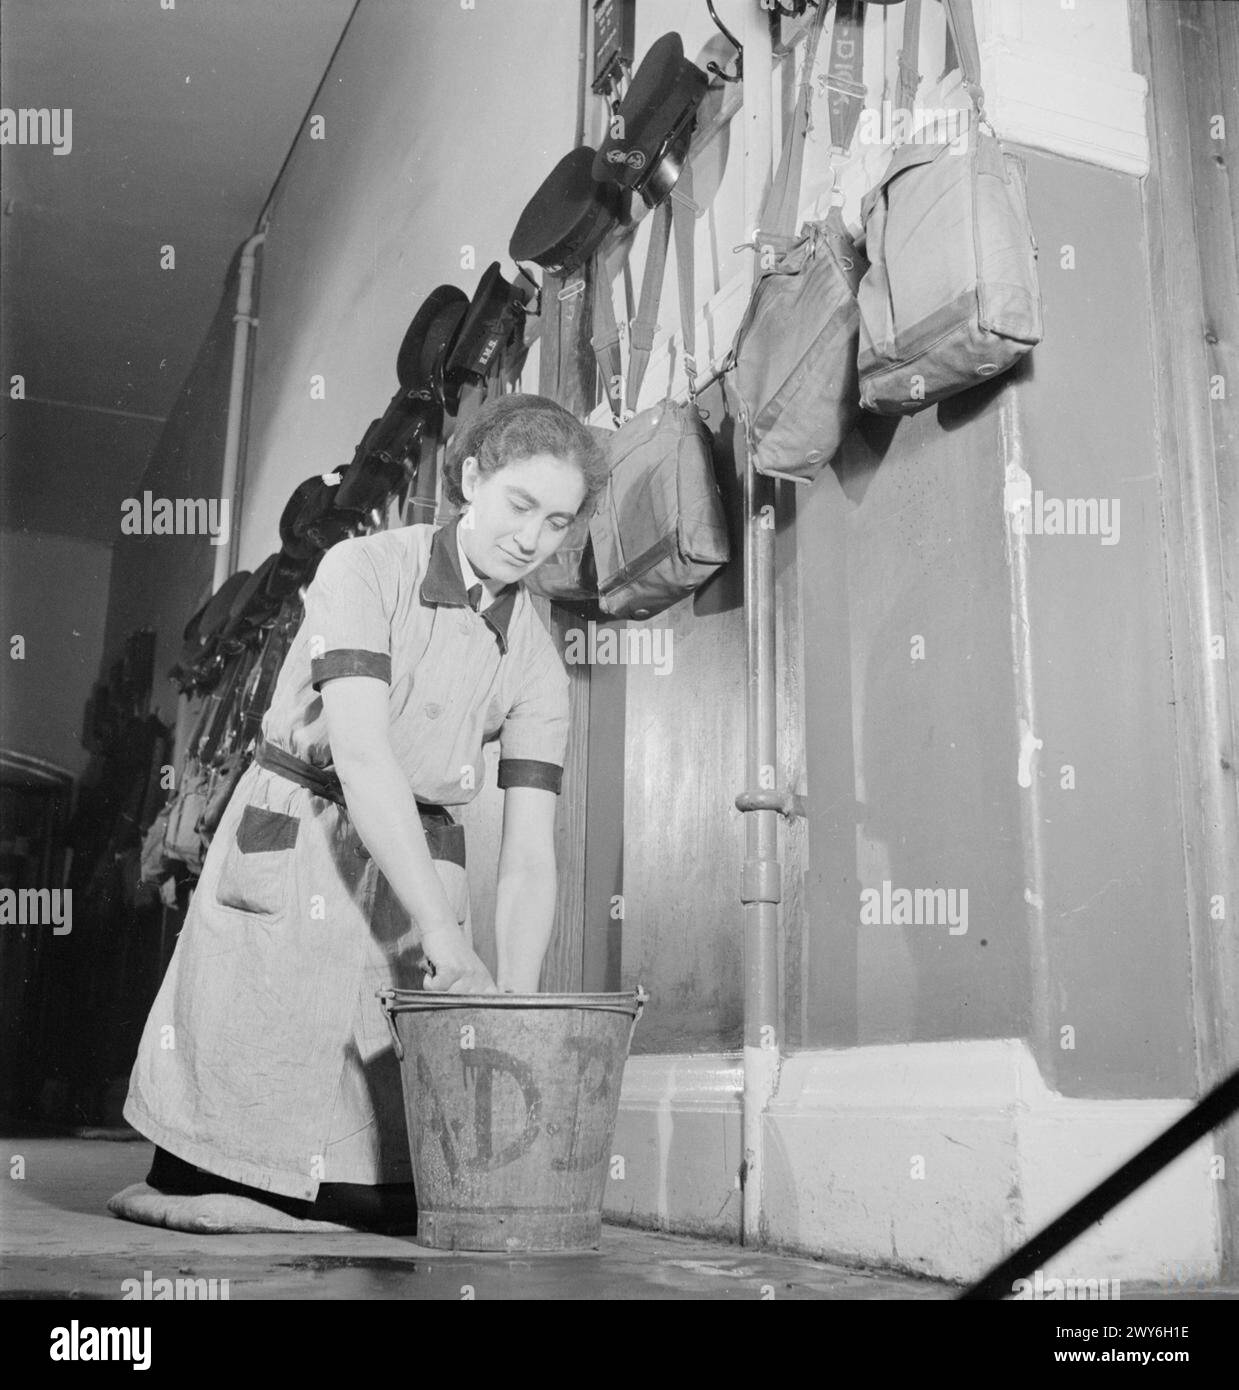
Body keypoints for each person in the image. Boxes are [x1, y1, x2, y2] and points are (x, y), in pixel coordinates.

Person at [111, 393, 609, 1232]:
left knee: (386, 1186)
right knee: (244, 1091)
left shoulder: (536, 663)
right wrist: (445, 933)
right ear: (472, 478)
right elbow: (365, 756)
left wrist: (509, 1018)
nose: (532, 539)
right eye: (520, 506)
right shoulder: (364, 569)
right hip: (299, 826)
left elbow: (528, 854)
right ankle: (206, 1175)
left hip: (414, 856)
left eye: (558, 522)